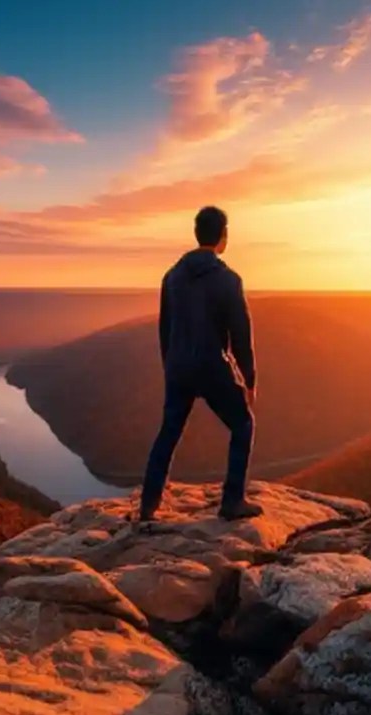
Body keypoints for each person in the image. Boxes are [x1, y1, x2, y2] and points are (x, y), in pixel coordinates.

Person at [139, 206, 263, 522]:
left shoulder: (172, 277)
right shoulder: (228, 280)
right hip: (211, 366)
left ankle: (148, 505)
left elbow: (165, 328)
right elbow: (240, 335)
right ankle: (232, 501)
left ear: (197, 234)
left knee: (169, 431)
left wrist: (169, 367)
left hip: (178, 366)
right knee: (243, 424)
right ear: (223, 236)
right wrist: (249, 380)